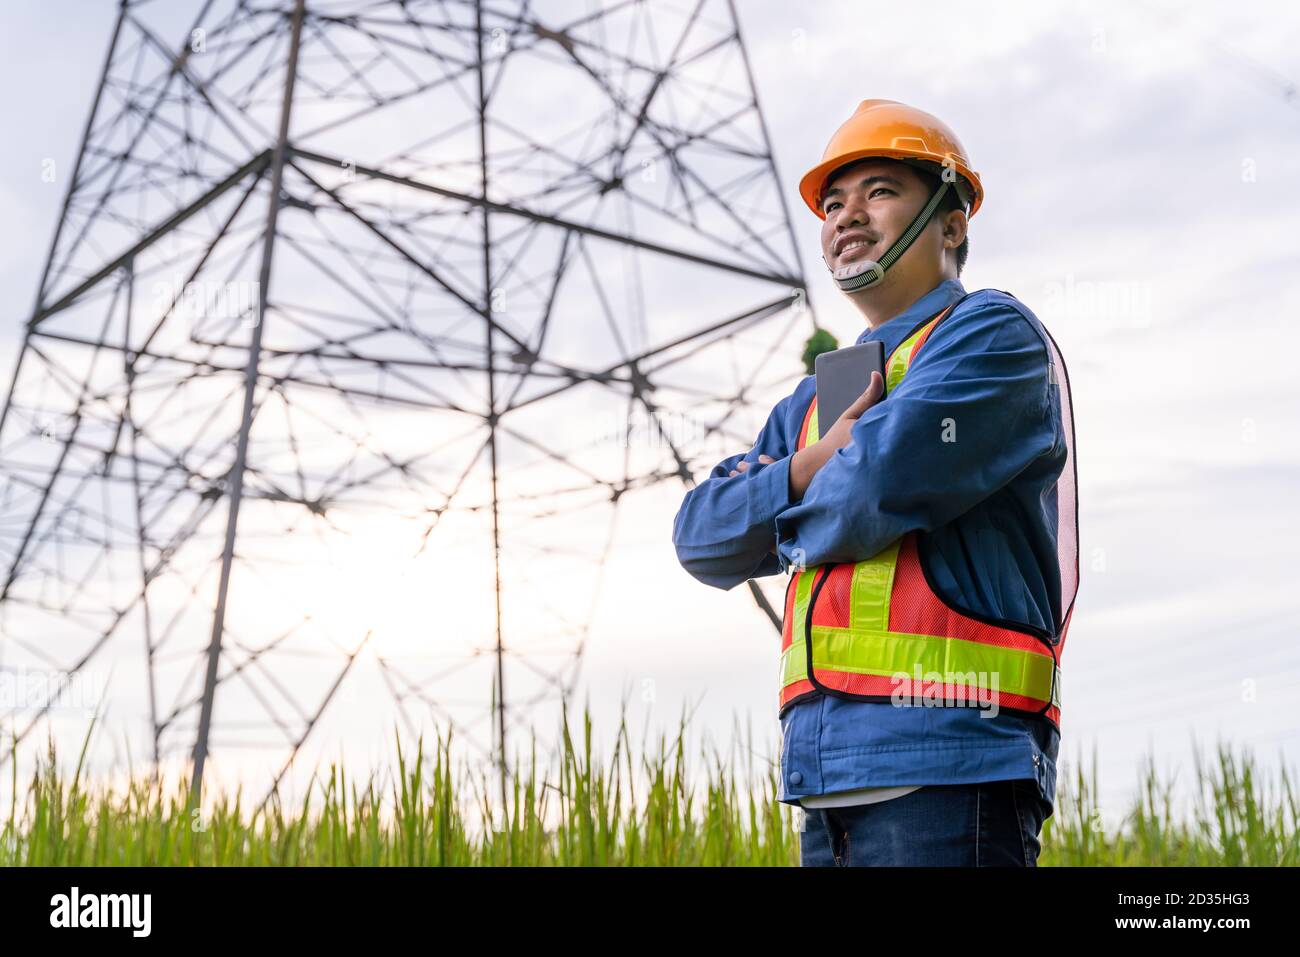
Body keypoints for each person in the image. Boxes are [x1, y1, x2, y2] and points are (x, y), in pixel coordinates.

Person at [671, 99, 1079, 866]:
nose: (846, 215)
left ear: (952, 223)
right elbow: (700, 535)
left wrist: (781, 502)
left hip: (952, 767)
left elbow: (874, 488)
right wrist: (811, 464)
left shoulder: (992, 338)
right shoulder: (814, 404)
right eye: (832, 202)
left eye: (879, 190)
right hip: (825, 790)